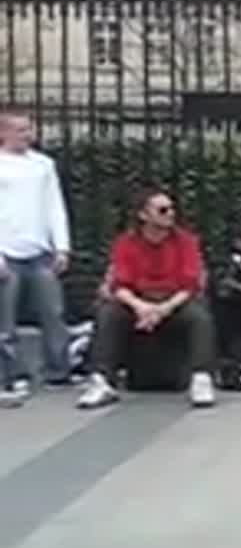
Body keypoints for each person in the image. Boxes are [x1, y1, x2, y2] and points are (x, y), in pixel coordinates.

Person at [76, 189, 217, 409]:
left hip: (173, 300)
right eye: (162, 209)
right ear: (143, 215)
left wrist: (163, 309)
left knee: (199, 317)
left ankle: (201, 377)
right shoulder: (126, 242)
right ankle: (101, 380)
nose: (170, 213)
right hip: (138, 300)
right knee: (109, 314)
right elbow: (119, 284)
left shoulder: (186, 242)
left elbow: (190, 284)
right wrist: (141, 307)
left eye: (172, 209)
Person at [0, 108, 72, 408]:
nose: (26, 135)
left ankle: (59, 371)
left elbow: (54, 205)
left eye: (28, 129)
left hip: (39, 250)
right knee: (5, 320)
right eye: (19, 129)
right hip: (6, 250)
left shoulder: (43, 165)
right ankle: (11, 374)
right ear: (3, 133)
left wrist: (62, 246)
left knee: (53, 312)